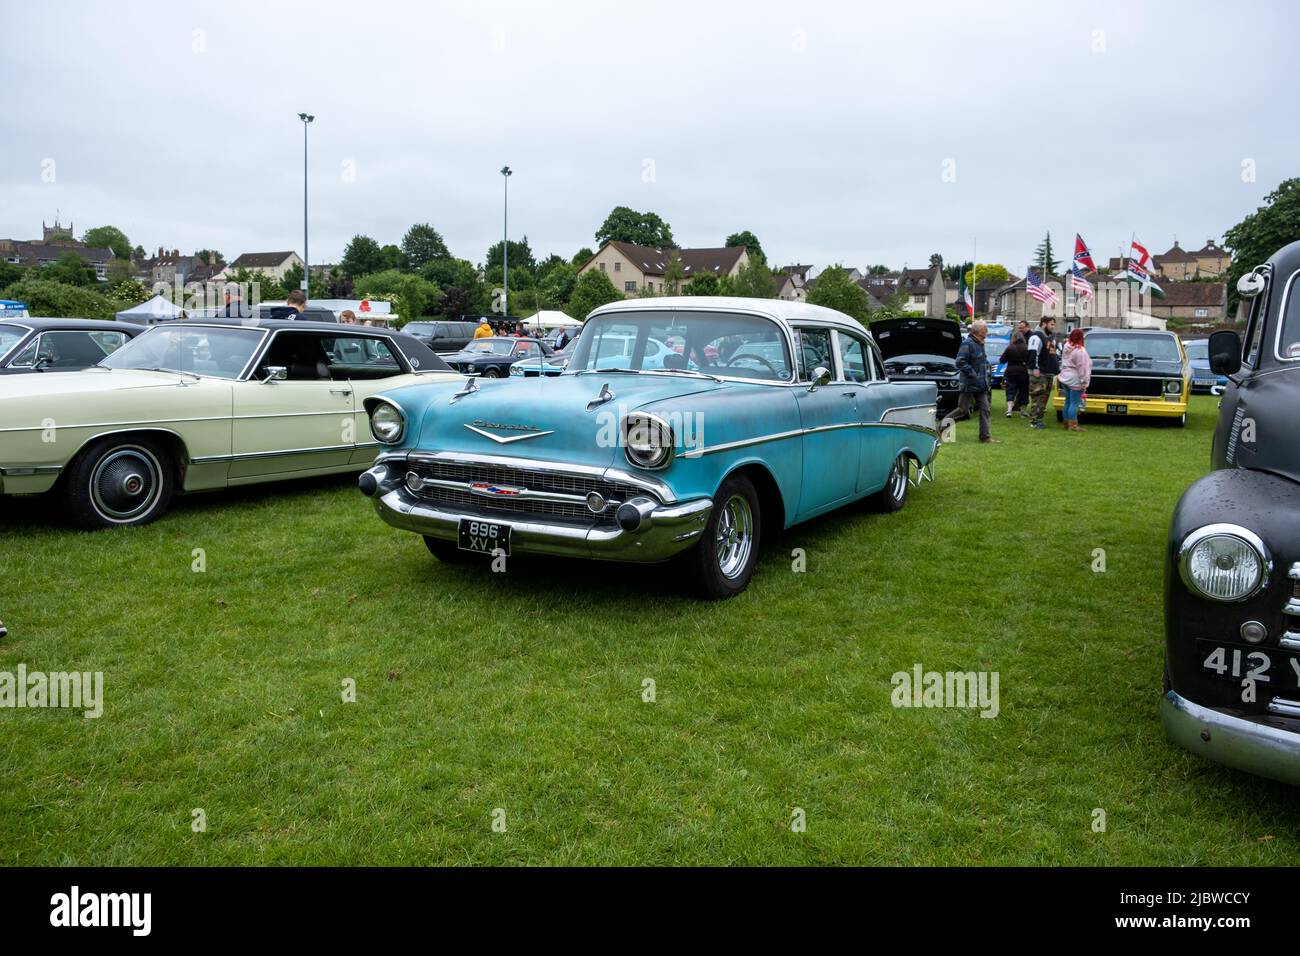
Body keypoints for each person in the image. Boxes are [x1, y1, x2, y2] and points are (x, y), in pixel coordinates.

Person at [944, 318, 998, 444]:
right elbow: (960, 362)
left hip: (981, 385)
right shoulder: (967, 344)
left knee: (985, 409)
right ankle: (941, 428)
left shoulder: (980, 344)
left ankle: (985, 437)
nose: (987, 331)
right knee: (962, 410)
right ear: (979, 331)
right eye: (985, 329)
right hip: (969, 384)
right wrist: (973, 374)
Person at [1026, 316, 1060, 430]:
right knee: (1037, 398)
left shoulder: (1049, 338)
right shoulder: (1035, 337)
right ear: (1044, 324)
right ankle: (1034, 422)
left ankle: (1039, 420)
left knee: (1044, 399)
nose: (1053, 327)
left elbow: (1052, 355)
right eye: (1051, 324)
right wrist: (1034, 369)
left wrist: (1056, 369)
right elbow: (1032, 353)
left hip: (1048, 373)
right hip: (1039, 374)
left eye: (1054, 325)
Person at [1058, 328, 1092, 432]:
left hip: (1065, 377)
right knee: (1074, 403)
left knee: (1068, 402)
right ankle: (1073, 425)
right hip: (1075, 379)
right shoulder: (1080, 351)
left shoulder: (1066, 346)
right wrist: (1084, 381)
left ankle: (1066, 423)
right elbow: (1082, 368)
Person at [1000, 331, 1030, 418]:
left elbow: (1002, 360)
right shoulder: (1027, 348)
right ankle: (1023, 411)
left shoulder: (1010, 348)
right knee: (1024, 391)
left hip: (1011, 371)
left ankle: (1009, 410)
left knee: (1010, 390)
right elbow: (1030, 360)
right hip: (1023, 372)